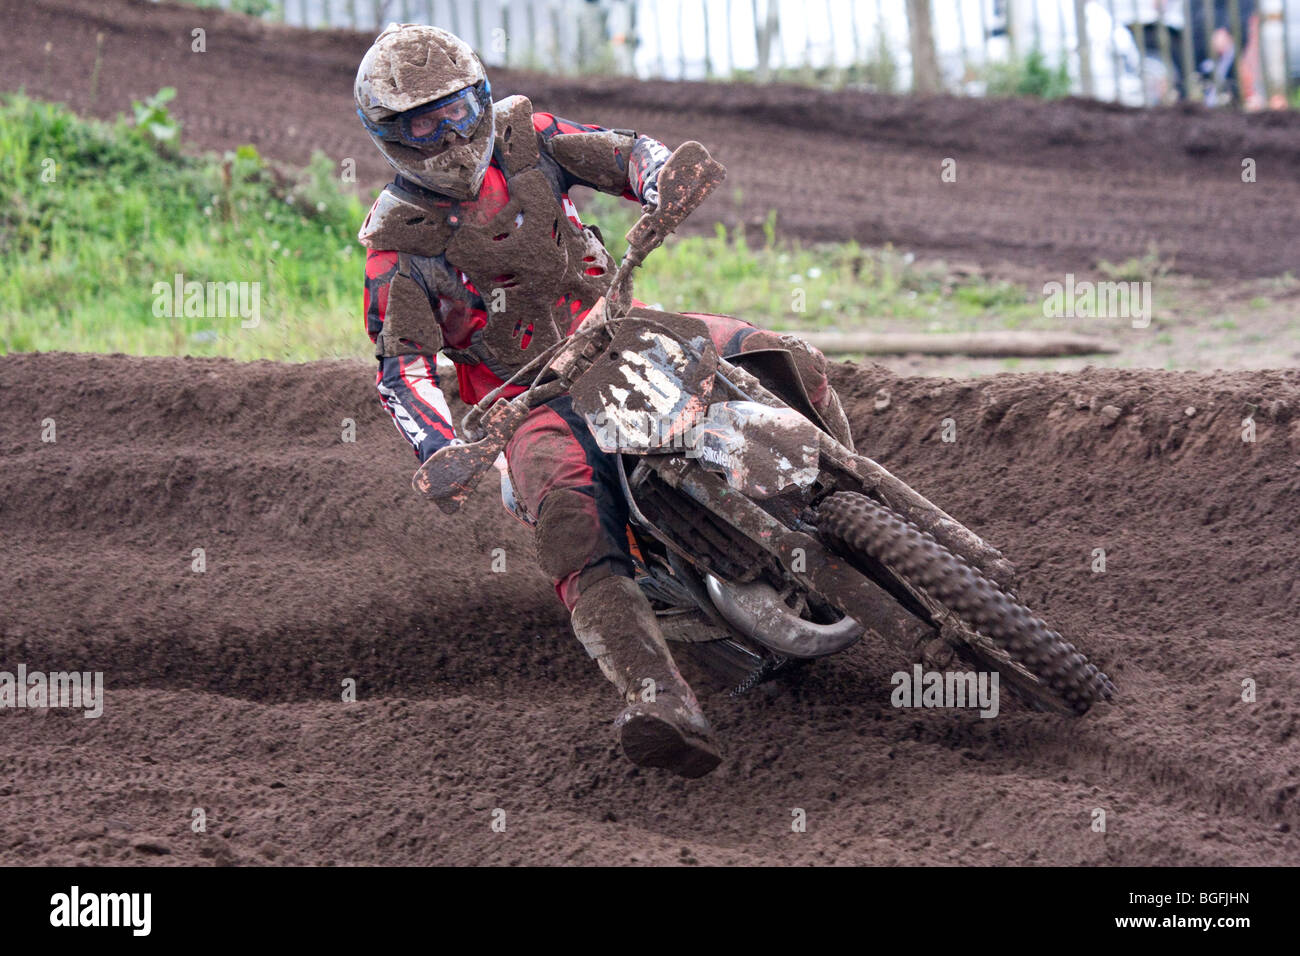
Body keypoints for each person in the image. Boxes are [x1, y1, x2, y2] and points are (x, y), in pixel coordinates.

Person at [354, 24, 853, 778]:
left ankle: (846, 494)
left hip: (623, 331)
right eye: (420, 123)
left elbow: (622, 152)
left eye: (455, 111)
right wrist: (439, 447)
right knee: (568, 519)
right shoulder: (398, 248)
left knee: (778, 356)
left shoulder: (530, 137)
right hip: (530, 403)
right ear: (390, 137)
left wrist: (663, 178)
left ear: (480, 100)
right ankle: (661, 701)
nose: (446, 133)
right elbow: (404, 370)